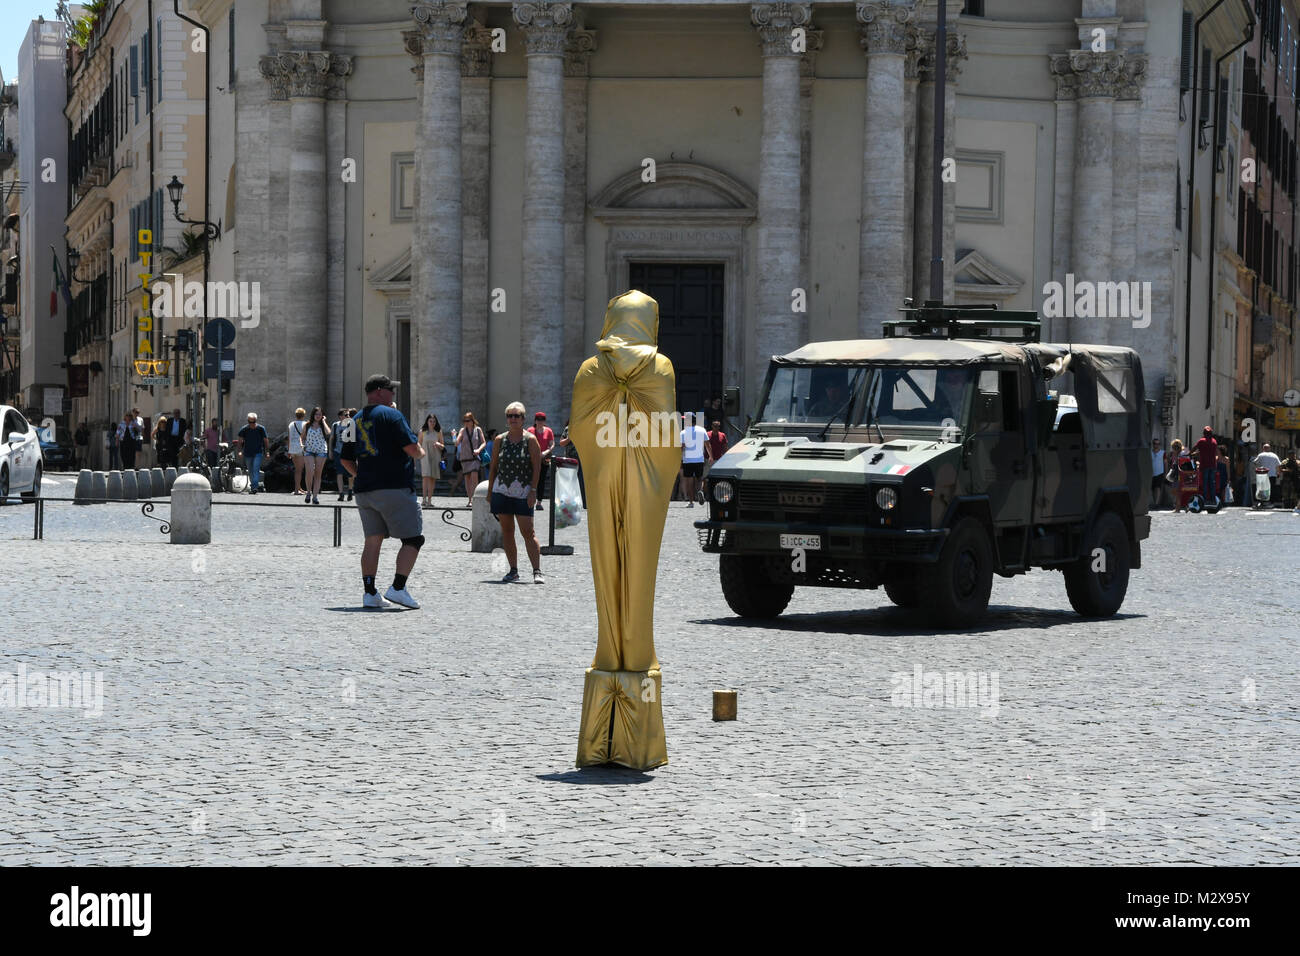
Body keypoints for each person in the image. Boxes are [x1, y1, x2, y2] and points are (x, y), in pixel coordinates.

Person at [339, 374, 426, 608]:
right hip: (394, 486)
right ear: (379, 391)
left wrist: (362, 475)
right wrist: (421, 453)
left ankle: (370, 593)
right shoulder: (392, 415)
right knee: (413, 539)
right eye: (390, 389)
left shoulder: (352, 420)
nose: (393, 393)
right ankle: (398, 588)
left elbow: (345, 459)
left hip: (364, 491)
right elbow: (412, 448)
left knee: (372, 540)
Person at [488, 401, 544, 584]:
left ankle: (537, 570)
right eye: (510, 416)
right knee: (507, 531)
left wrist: (533, 490)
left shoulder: (531, 440)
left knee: (528, 531)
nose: (513, 419)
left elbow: (537, 467)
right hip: (501, 490)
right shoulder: (500, 440)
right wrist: (490, 492)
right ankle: (513, 571)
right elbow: (493, 467)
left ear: (523, 418)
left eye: (516, 415)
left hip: (523, 492)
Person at [679, 411, 712, 507]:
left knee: (689, 480)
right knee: (700, 478)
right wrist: (711, 456)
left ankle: (691, 502)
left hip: (688, 460)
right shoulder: (702, 430)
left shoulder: (683, 432)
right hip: (699, 459)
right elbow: (707, 445)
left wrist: (680, 458)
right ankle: (700, 490)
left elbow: (682, 447)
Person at [300, 405, 331, 504]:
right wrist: (302, 445)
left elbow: (328, 433)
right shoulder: (307, 424)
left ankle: (315, 496)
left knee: (318, 474)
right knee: (309, 471)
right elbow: (302, 437)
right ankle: (308, 492)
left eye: (320, 414)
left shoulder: (323, 425)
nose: (318, 416)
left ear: (322, 416)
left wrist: (324, 421)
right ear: (313, 415)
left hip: (321, 450)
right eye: (316, 414)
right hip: (309, 450)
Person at [454, 412, 486, 507]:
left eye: (467, 421)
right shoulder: (462, 430)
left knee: (474, 477)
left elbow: (484, 443)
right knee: (467, 479)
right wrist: (453, 435)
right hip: (465, 458)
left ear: (472, 421)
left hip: (475, 457)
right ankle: (470, 499)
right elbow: (456, 443)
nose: (466, 423)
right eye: (464, 421)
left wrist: (479, 450)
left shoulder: (478, 430)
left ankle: (475, 499)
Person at [235, 412, 269, 494]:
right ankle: (253, 486)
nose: (252, 424)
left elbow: (266, 440)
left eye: (253, 422)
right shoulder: (244, 429)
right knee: (250, 470)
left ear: (256, 421)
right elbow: (240, 441)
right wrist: (239, 451)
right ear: (248, 421)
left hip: (258, 452)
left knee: (255, 469)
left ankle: (254, 487)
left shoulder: (261, 429)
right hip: (247, 453)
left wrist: (267, 451)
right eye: (250, 422)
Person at [527, 411, 556, 509]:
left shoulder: (548, 431)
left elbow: (552, 444)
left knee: (541, 480)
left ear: (544, 421)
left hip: (544, 458)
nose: (540, 421)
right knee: (531, 479)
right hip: (532, 459)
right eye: (538, 419)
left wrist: (545, 452)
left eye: (542, 419)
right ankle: (530, 499)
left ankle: (539, 502)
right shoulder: (530, 430)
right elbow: (526, 443)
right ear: (535, 420)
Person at [418, 413, 445, 508]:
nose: (432, 423)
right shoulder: (422, 431)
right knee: (425, 476)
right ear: (427, 421)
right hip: (425, 456)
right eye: (430, 421)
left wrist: (438, 444)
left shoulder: (438, 432)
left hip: (435, 456)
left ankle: (429, 500)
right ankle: (424, 499)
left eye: (434, 421)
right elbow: (418, 444)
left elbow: (443, 446)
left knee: (432, 478)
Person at [330, 408, 355, 501]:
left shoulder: (351, 424)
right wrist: (330, 451)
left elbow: (354, 439)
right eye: (346, 415)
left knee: (350, 473)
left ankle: (350, 491)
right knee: (339, 473)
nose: (348, 416)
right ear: (340, 416)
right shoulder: (335, 425)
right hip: (338, 451)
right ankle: (341, 493)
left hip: (348, 452)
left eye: (349, 415)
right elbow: (332, 438)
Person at [1191, 426, 1219, 507]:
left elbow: (1195, 448)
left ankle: (1205, 499)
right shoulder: (1214, 441)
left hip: (1204, 465)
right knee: (1212, 483)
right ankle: (1212, 499)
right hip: (1212, 465)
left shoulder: (1201, 441)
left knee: (1205, 483)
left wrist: (1189, 453)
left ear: (1204, 433)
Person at [287, 407, 307, 495]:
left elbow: (289, 438)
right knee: (299, 470)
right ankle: (296, 490)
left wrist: (289, 450)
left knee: (297, 469)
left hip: (292, 448)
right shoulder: (305, 424)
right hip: (301, 448)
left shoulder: (291, 424)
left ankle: (299, 488)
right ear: (303, 415)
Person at [1167, 438, 1187, 513]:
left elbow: (1181, 464)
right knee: (1176, 491)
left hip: (1179, 475)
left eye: (1174, 447)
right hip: (1177, 474)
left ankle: (1178, 508)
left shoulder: (1181, 454)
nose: (1173, 449)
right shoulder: (1176, 454)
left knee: (1177, 491)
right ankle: (1179, 506)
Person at [1150, 437, 1165, 510]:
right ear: (1153, 444)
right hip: (1151, 473)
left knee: (1158, 488)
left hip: (1160, 472)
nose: (1156, 445)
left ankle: (1156, 503)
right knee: (1153, 489)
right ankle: (1154, 502)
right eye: (1155, 444)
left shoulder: (1163, 453)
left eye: (1158, 444)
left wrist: (1166, 472)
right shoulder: (1150, 452)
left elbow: (1165, 463)